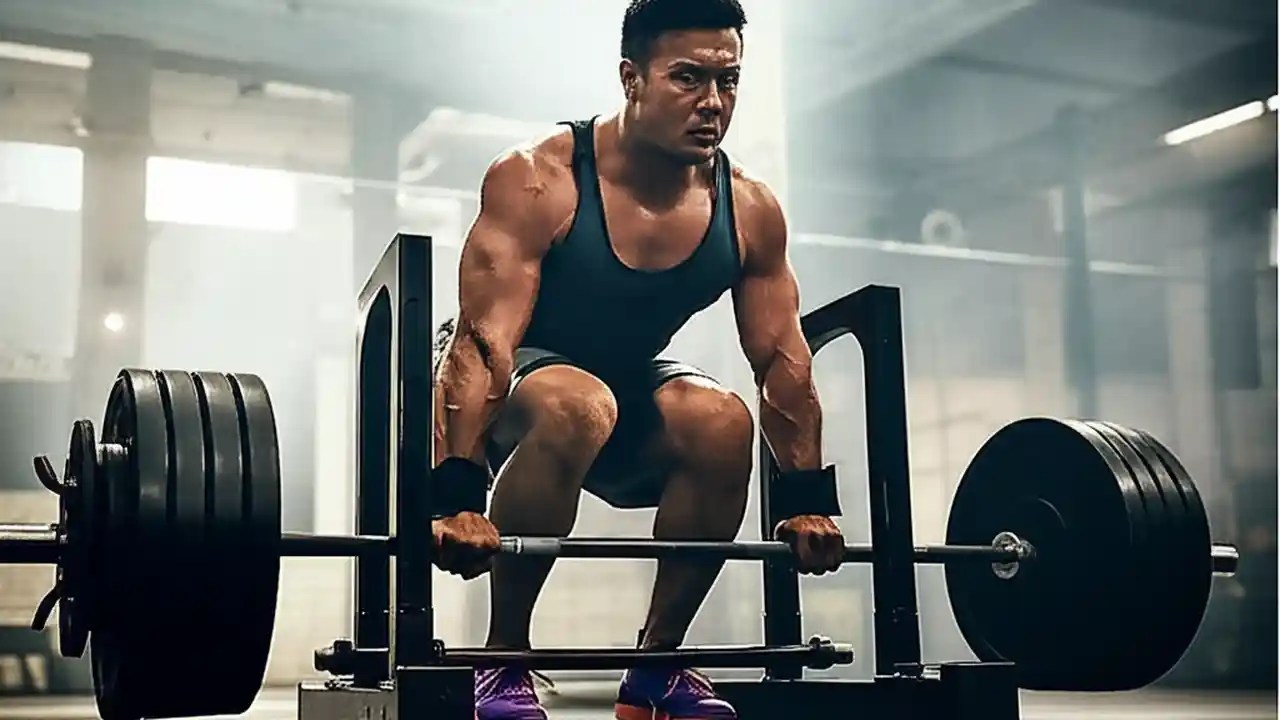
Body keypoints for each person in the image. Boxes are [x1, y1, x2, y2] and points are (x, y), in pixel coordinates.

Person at [430, 1, 845, 718]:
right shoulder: (540, 178)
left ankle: (657, 669)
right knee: (575, 401)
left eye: (729, 81)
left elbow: (782, 359)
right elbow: (483, 342)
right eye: (687, 78)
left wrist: (807, 501)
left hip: (615, 389)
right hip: (505, 391)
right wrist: (457, 494)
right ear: (632, 77)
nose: (712, 103)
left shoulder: (747, 208)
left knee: (721, 420)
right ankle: (501, 663)